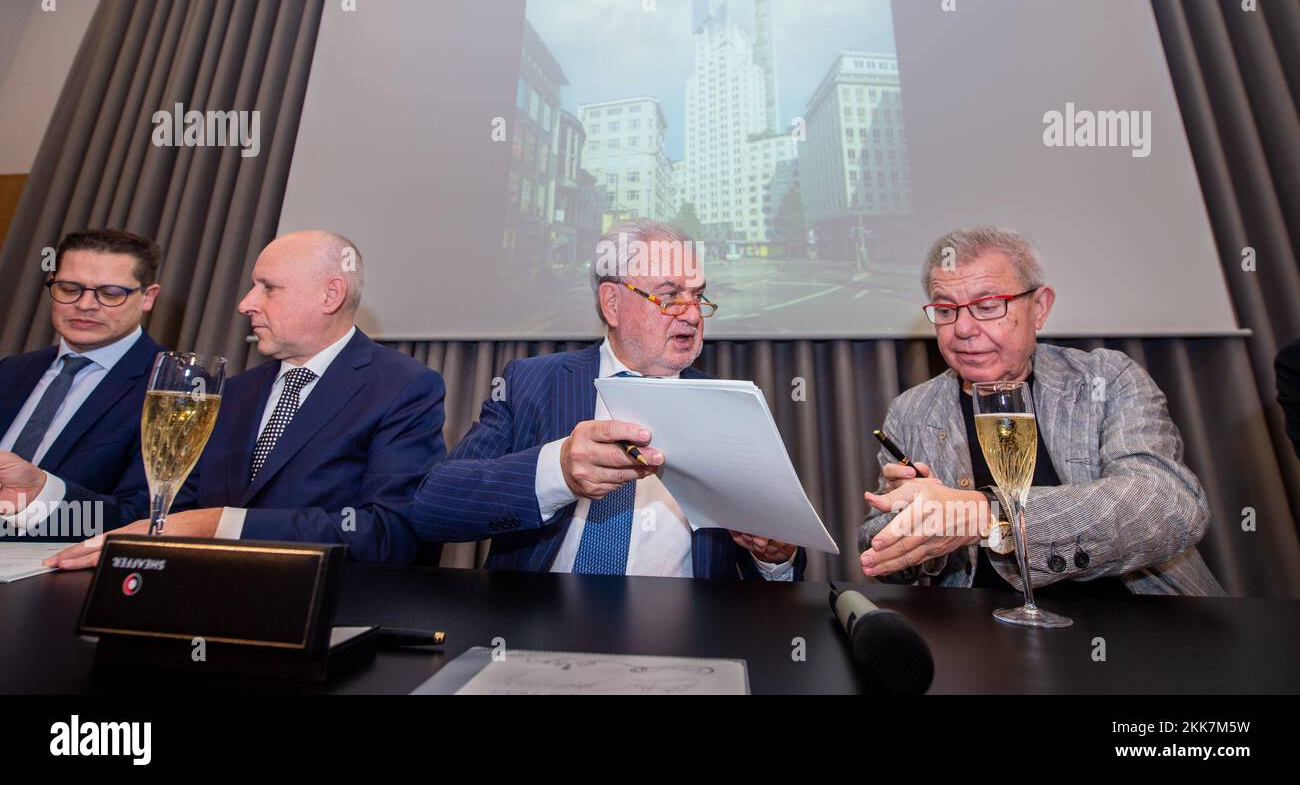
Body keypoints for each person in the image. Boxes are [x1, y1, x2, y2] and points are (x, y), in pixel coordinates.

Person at [413, 219, 803, 580]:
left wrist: (772, 557)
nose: (693, 315)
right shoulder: (532, 382)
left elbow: (768, 574)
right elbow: (434, 506)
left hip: (684, 638)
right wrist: (558, 472)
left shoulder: (731, 409)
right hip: (533, 628)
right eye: (670, 296)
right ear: (612, 303)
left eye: (697, 296)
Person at [858, 225, 1224, 596]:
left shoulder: (1107, 379)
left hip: (1135, 616)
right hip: (981, 628)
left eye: (987, 306)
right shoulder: (912, 411)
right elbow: (881, 561)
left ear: (1039, 308)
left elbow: (1165, 504)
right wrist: (905, 518)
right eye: (945, 310)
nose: (963, 328)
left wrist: (985, 514)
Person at [47, 230, 446, 567]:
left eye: (267, 288)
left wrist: (224, 524)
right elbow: (173, 515)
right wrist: (44, 491)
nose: (245, 304)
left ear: (330, 296)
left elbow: (391, 533)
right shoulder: (234, 392)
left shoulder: (403, 388)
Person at [0, 229, 164, 538]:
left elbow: (145, 519)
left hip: (51, 573)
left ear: (149, 297)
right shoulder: (11, 370)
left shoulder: (169, 389)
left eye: (111, 293)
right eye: (69, 288)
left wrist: (36, 503)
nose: (85, 304)